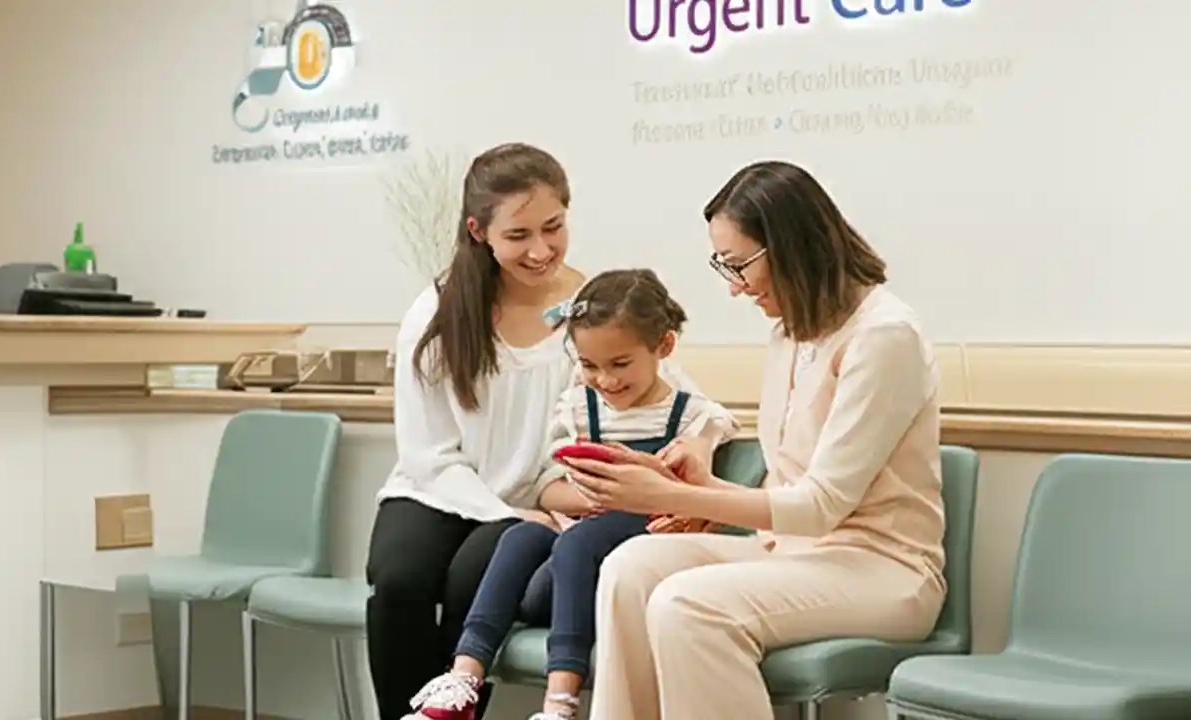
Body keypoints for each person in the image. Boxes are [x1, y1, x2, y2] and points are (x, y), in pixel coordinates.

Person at [562, 161, 948, 720]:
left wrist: (673, 497)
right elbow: (788, 483)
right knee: (630, 568)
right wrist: (698, 487)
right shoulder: (791, 331)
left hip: (884, 569)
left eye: (740, 264)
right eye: (724, 265)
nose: (736, 286)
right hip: (790, 553)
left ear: (794, 246)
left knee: (687, 605)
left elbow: (820, 506)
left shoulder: (884, 337)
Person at [366, 143, 699, 720]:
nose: (541, 250)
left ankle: (457, 708)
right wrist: (507, 513)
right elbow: (427, 455)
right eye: (519, 235)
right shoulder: (437, 311)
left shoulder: (592, 306)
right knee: (399, 583)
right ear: (479, 231)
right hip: (441, 488)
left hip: (538, 496)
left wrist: (695, 444)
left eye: (554, 227)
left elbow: (663, 384)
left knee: (474, 577)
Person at [401, 270, 739, 720]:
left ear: (664, 348)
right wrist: (582, 499)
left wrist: (699, 444)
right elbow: (545, 487)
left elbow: (719, 428)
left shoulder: (688, 415)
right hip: (563, 572)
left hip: (624, 556)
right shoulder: (578, 409)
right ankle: (463, 676)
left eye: (620, 364)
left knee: (577, 542)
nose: (605, 380)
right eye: (590, 365)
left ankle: (560, 703)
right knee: (519, 537)